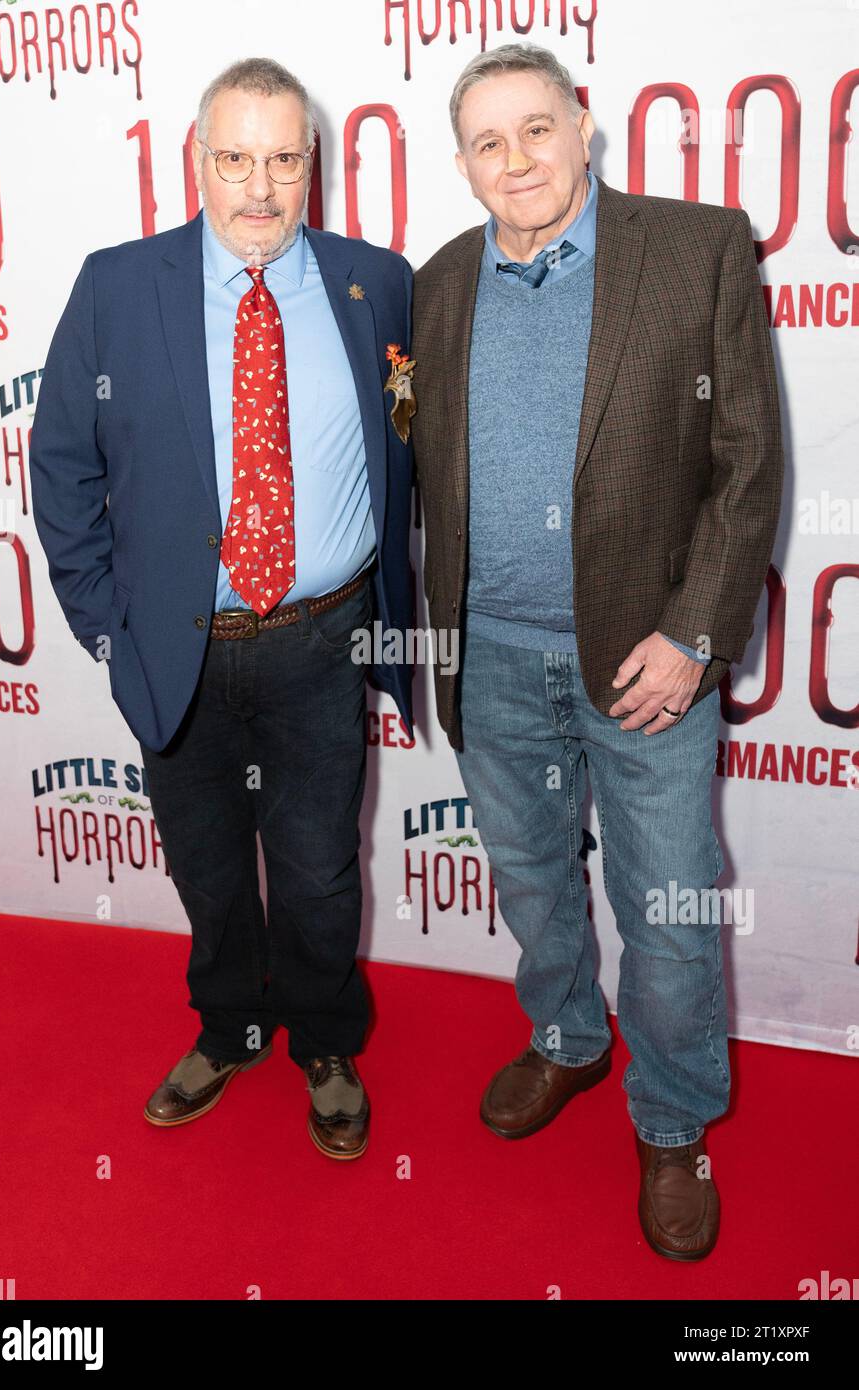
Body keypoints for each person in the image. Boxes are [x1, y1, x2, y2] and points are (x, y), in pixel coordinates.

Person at [410, 43, 783, 1256]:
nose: (516, 159)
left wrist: (693, 635)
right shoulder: (440, 283)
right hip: (494, 657)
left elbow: (746, 465)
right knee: (529, 881)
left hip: (647, 667)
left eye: (535, 129)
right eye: (487, 142)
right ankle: (568, 1036)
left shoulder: (696, 245)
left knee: (667, 911)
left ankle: (672, 1121)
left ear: (586, 126)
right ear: (462, 164)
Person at [29, 57, 415, 1161]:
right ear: (196, 160)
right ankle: (231, 1025)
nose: (259, 185)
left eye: (282, 158)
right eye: (235, 157)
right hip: (176, 650)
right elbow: (61, 465)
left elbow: (417, 452)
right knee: (203, 862)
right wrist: (109, 624)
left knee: (317, 864)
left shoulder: (376, 282)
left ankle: (327, 1042)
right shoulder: (116, 285)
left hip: (321, 641)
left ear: (313, 166)